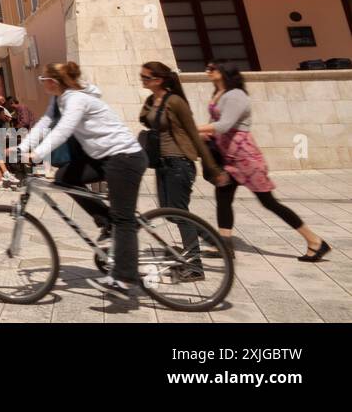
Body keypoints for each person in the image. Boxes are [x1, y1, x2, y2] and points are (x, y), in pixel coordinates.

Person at [17, 62, 148, 302]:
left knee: (124, 218)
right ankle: (106, 221)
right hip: (103, 158)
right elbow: (45, 124)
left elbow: (63, 130)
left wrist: (36, 154)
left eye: (42, 79)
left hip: (124, 158)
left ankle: (125, 277)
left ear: (53, 82)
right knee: (64, 178)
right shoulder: (59, 99)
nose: (41, 83)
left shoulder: (77, 99)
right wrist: (22, 147)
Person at [197, 62, 330, 263]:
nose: (208, 71)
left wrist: (193, 128)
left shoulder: (236, 95)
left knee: (269, 202)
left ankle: (315, 241)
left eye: (212, 68)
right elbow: (215, 124)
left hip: (244, 156)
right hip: (229, 156)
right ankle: (225, 246)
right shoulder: (219, 93)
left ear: (225, 72)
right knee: (223, 197)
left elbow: (224, 125)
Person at [138, 62, 227, 276]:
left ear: (158, 79)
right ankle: (210, 239)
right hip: (162, 163)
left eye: (146, 77)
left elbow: (193, 135)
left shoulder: (176, 102)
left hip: (179, 162)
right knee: (170, 214)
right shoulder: (152, 100)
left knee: (179, 214)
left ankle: (195, 266)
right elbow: (144, 119)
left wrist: (213, 168)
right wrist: (152, 103)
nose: (142, 80)